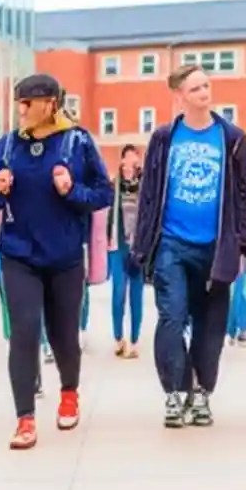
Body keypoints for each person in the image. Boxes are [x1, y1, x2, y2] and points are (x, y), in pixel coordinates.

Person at [0, 73, 112, 450]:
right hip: (18, 253)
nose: (20, 110)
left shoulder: (78, 142)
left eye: (28, 102)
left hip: (64, 256)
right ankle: (24, 418)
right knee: (24, 331)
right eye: (18, 102)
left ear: (50, 103)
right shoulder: (6, 146)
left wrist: (71, 190)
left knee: (63, 334)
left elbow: (103, 194)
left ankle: (69, 391)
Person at [129, 64, 246, 429]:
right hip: (171, 243)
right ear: (180, 95)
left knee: (210, 325)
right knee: (172, 315)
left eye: (207, 85)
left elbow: (244, 192)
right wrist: (142, 244)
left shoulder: (231, 138)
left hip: (216, 246)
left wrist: (242, 240)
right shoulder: (166, 138)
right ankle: (175, 392)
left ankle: (202, 393)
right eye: (196, 87)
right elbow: (150, 192)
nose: (204, 92)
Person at [107, 144, 146, 358]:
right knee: (119, 292)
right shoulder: (113, 186)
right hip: (117, 244)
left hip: (138, 247)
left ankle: (134, 339)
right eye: (127, 157)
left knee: (136, 295)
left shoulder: (145, 186)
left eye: (134, 157)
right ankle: (118, 337)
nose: (130, 162)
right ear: (121, 161)